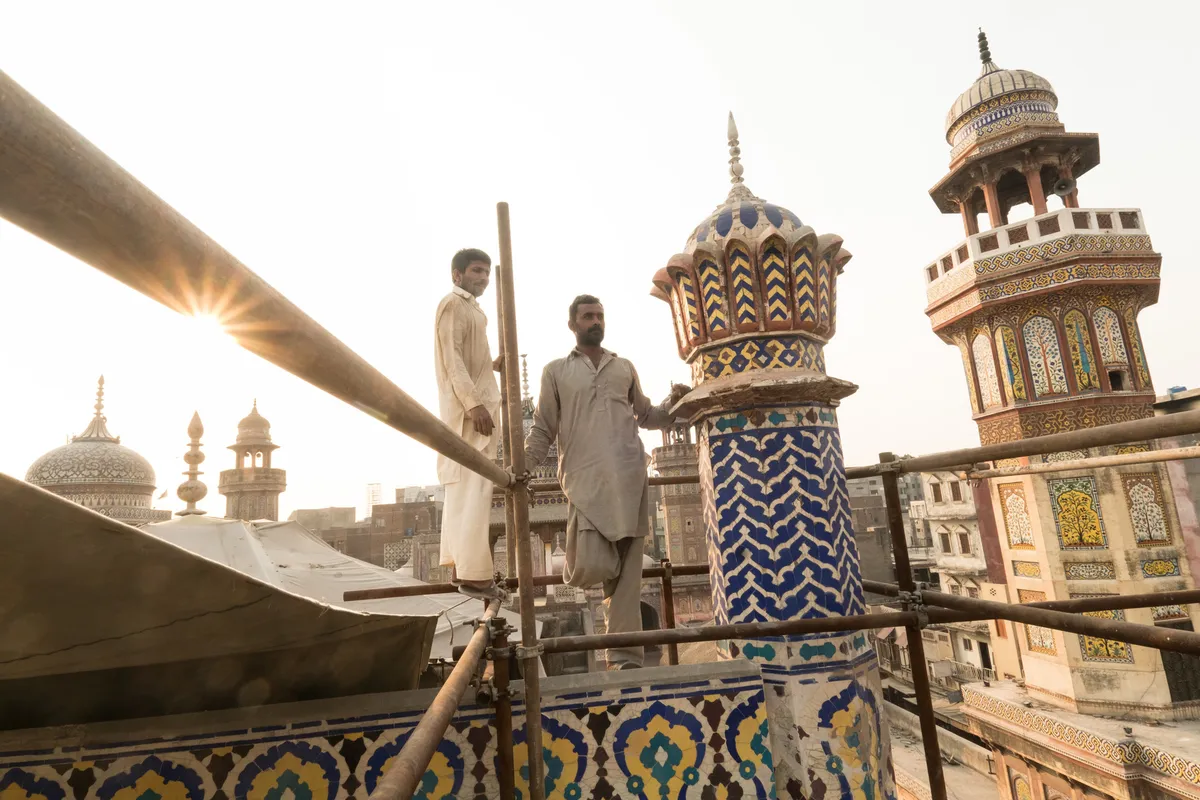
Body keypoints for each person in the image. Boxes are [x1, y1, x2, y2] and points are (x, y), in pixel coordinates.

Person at [524, 294, 689, 669]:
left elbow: (647, 415)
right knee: (592, 566)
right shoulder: (555, 372)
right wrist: (522, 468)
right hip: (585, 482)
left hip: (630, 477)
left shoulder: (624, 367)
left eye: (599, 315)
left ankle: (623, 656)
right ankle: (617, 648)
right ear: (573, 325)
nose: (595, 321)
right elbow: (543, 428)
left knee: (628, 578)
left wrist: (678, 405)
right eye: (587, 316)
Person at [434, 248, 506, 602]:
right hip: (469, 414)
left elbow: (472, 361)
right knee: (471, 490)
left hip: (479, 408)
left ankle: (464, 569)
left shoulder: (472, 309)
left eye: (487, 273)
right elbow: (453, 360)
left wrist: (493, 366)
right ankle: (475, 577)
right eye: (477, 271)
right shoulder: (453, 304)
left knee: (470, 492)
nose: (484, 278)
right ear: (457, 275)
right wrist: (474, 403)